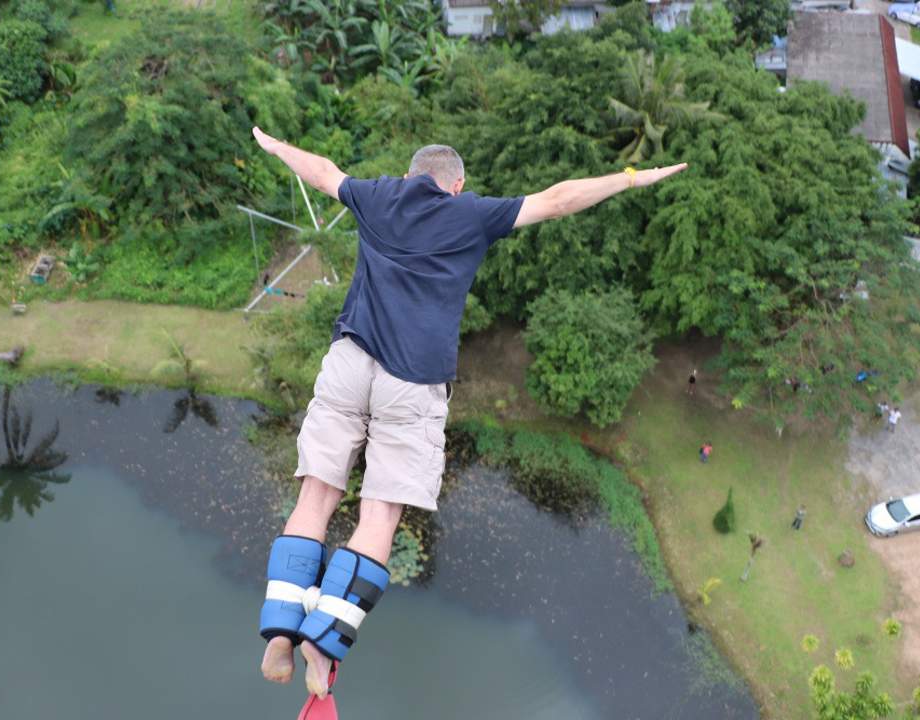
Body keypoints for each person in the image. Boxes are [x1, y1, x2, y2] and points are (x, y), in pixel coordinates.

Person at [249, 126, 688, 699]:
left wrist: (280, 149)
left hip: (349, 361)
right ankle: (321, 643)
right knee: (379, 517)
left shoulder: (376, 196)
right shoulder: (471, 215)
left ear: (410, 177)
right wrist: (633, 177)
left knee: (315, 496)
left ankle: (279, 632)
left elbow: (324, 170)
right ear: (457, 185)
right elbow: (559, 198)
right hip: (412, 383)